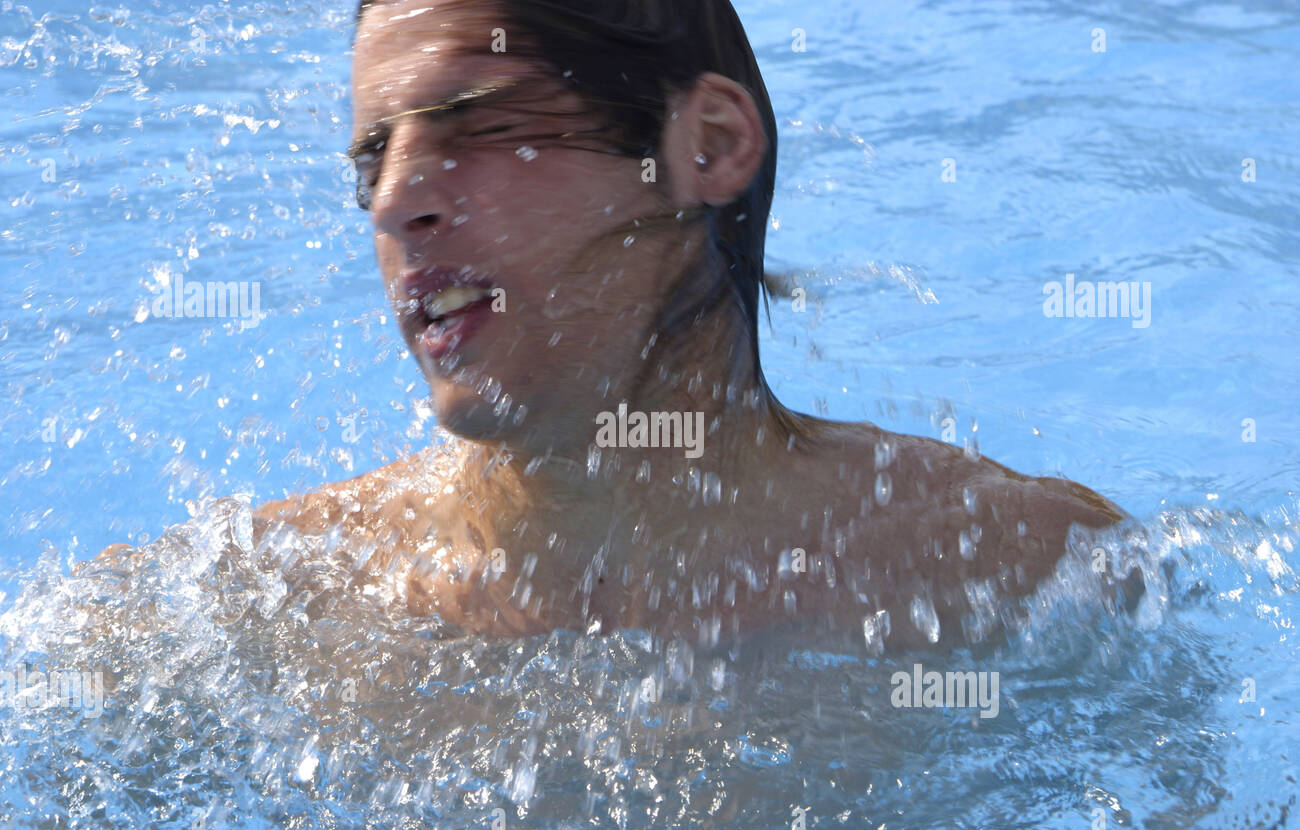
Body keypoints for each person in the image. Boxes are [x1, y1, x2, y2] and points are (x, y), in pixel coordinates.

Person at [254, 0, 1128, 651]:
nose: (397, 201)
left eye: (486, 124)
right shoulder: (284, 598)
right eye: (374, 158)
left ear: (706, 144)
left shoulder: (1019, 572)